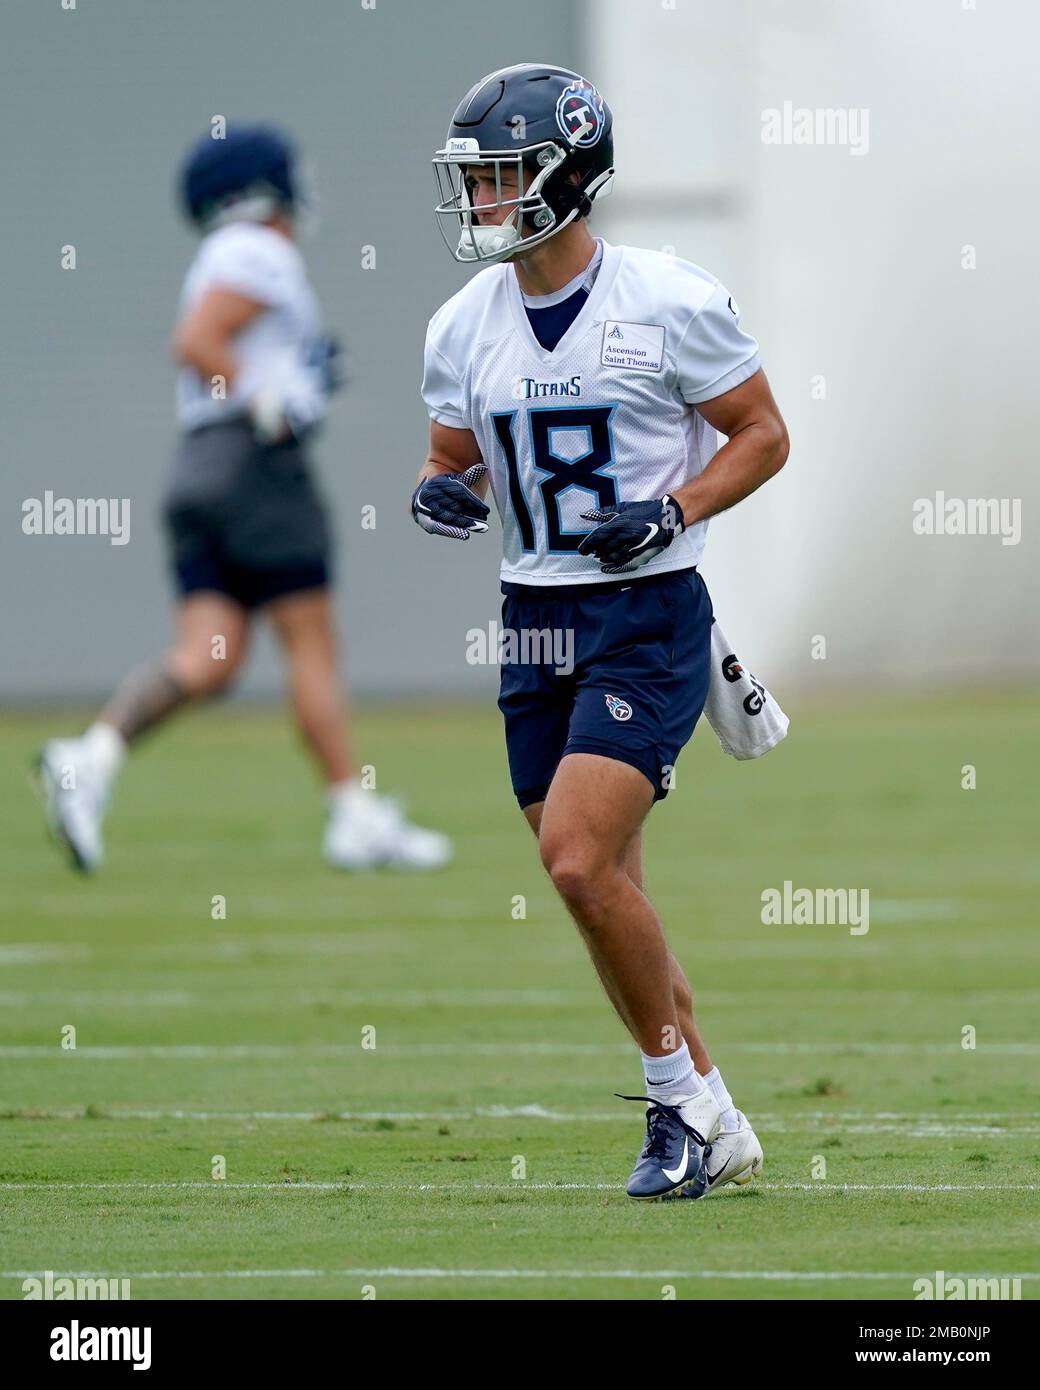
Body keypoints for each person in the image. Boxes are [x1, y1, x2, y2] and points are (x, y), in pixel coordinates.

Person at [413, 66, 789, 1198]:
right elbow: (450, 455)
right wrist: (442, 488)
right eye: (471, 181)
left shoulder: (665, 296)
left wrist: (676, 506)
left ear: (563, 178)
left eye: (496, 178)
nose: (479, 200)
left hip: (645, 613)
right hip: (532, 614)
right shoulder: (459, 325)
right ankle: (712, 1117)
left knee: (573, 858)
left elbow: (760, 433)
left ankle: (676, 1106)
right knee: (602, 882)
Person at [39, 123, 450, 874]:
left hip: (199, 467)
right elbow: (197, 341)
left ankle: (90, 757)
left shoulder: (221, 254)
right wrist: (270, 400)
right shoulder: (259, 250)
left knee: (209, 659)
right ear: (259, 189)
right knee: (311, 640)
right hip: (254, 465)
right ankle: (351, 813)